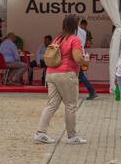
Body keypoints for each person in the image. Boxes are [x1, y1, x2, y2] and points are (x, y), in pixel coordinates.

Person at [35, 15, 88, 145]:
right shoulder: (74, 39)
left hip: (51, 73)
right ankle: (72, 136)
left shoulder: (57, 38)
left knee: (51, 104)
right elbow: (77, 59)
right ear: (75, 26)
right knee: (70, 105)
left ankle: (40, 133)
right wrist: (85, 60)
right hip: (67, 74)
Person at [76, 20, 97, 100]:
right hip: (81, 52)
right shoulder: (83, 32)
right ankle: (92, 91)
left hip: (76, 53)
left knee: (79, 74)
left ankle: (92, 91)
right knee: (80, 74)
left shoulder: (73, 31)